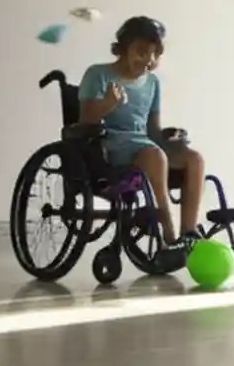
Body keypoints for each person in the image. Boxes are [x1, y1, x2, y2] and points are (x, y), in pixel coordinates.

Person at [78, 16, 202, 267]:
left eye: (155, 54)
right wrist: (108, 104)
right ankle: (170, 236)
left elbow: (152, 130)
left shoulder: (153, 83)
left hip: (144, 144)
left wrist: (170, 136)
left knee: (194, 159)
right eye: (142, 51)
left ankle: (189, 233)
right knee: (154, 155)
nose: (149, 59)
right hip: (109, 145)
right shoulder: (98, 74)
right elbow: (85, 119)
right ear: (123, 48)